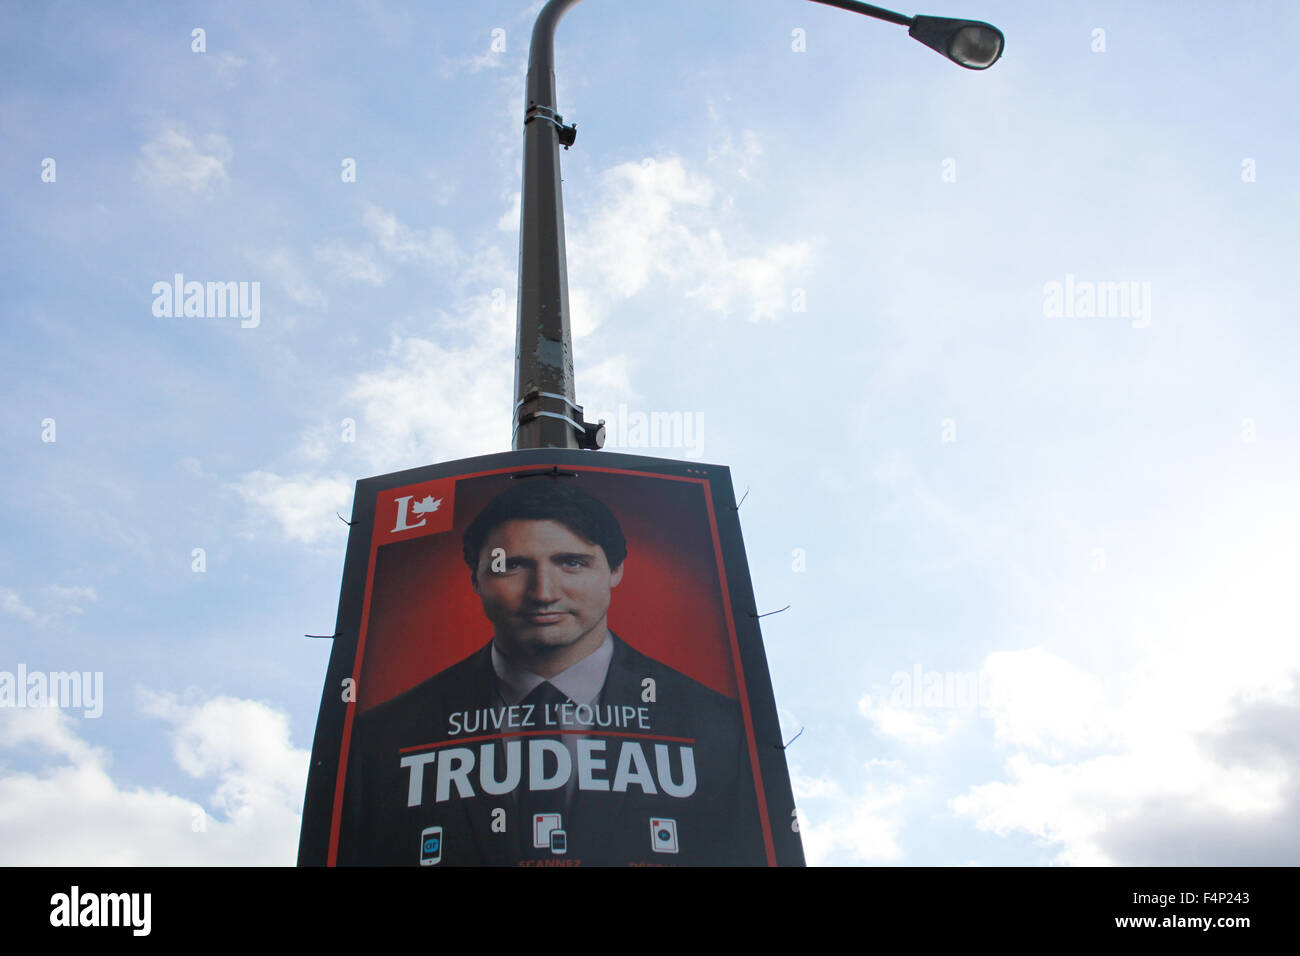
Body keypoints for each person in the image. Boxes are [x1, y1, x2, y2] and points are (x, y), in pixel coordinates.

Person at [337, 479, 765, 866]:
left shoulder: (721, 729)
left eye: (572, 562)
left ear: (615, 570)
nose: (543, 593)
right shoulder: (381, 739)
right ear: (475, 577)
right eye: (512, 565)